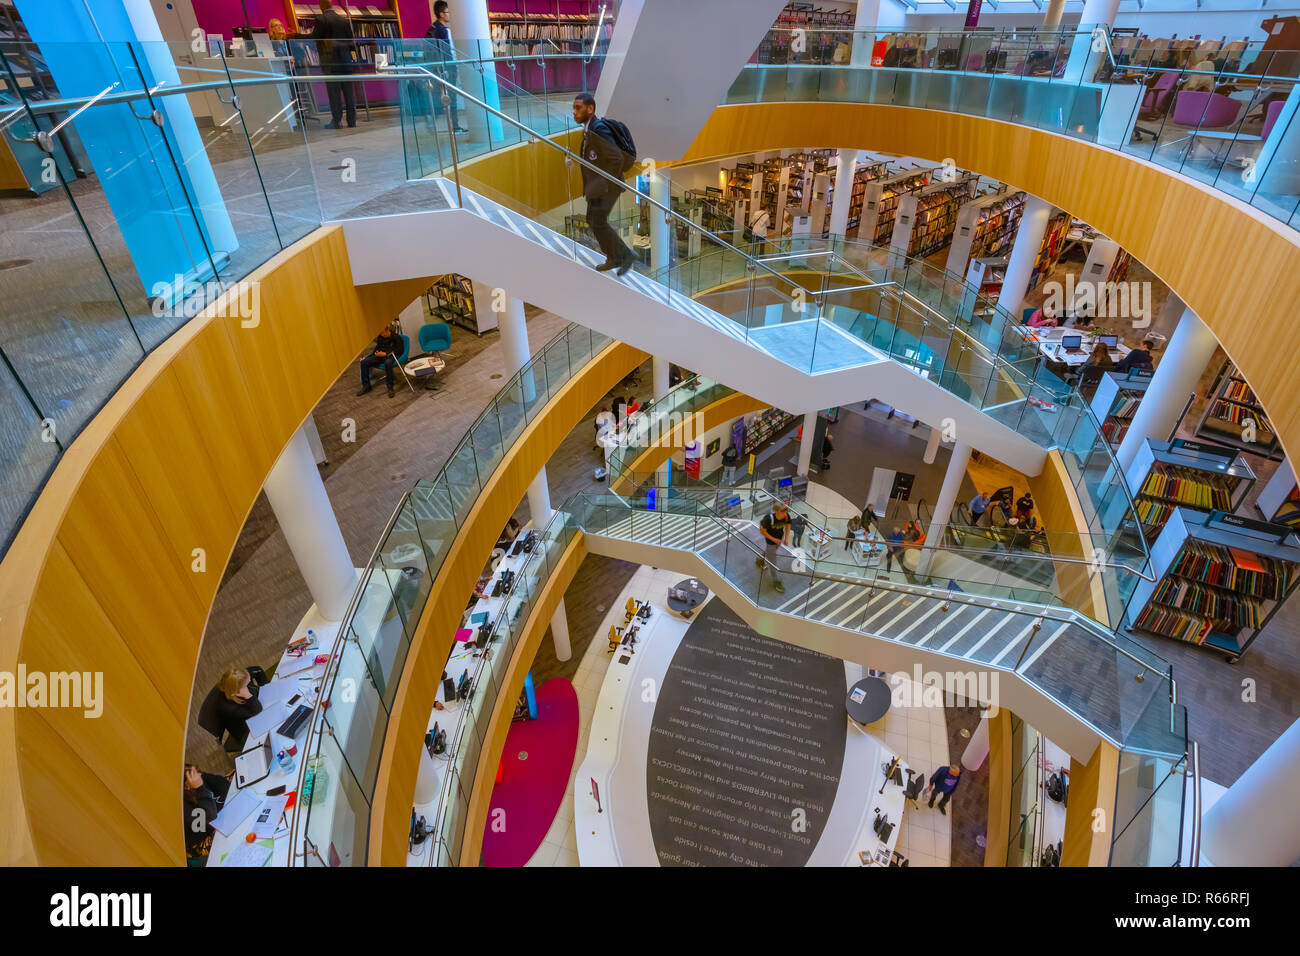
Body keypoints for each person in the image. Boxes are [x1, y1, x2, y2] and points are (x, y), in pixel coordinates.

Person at [571, 93, 635, 275]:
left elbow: (616, 158)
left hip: (606, 187)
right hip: (598, 187)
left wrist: (604, 183)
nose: (574, 112)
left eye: (578, 108)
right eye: (574, 108)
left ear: (590, 109)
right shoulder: (589, 129)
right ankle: (614, 257)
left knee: (598, 221)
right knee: (593, 220)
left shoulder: (598, 129)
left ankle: (624, 255)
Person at [310, 0, 357, 130]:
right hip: (346, 63)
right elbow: (352, 44)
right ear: (331, 5)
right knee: (349, 94)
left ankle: (337, 121)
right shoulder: (344, 20)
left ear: (321, 5)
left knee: (334, 94)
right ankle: (352, 121)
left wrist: (295, 36)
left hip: (331, 63)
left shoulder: (321, 19)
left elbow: (314, 37)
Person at [426, 1, 469, 135]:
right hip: (446, 67)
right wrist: (449, 66)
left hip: (444, 67)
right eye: (447, 12)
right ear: (441, 13)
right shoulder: (440, 30)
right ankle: (454, 127)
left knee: (445, 96)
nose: (449, 14)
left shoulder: (437, 28)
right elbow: (444, 51)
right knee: (451, 97)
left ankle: (432, 117)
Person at [197, 666, 264, 752]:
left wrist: (265, 686)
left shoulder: (241, 678)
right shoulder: (230, 708)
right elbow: (257, 710)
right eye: (246, 684)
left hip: (251, 713)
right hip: (244, 730)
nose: (250, 680)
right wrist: (248, 696)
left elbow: (258, 670)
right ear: (238, 691)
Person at [183, 764, 231, 863]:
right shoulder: (184, 808)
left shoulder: (196, 777)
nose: (199, 776)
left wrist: (201, 777)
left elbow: (225, 785)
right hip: (203, 839)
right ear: (187, 785)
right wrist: (200, 787)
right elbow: (209, 818)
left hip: (215, 818)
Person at [358, 324, 402, 397]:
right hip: (380, 355)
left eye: (383, 333)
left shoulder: (396, 337)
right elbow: (378, 346)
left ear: (387, 330)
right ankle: (366, 386)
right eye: (380, 333)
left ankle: (390, 387)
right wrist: (376, 352)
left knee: (388, 363)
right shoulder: (381, 337)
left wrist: (386, 354)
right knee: (364, 362)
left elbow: (399, 350)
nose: (382, 335)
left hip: (390, 355)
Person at [758, 504, 789, 593]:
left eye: (785, 511)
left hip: (779, 540)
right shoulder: (769, 519)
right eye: (782, 511)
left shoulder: (785, 516)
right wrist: (774, 539)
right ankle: (776, 581)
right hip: (771, 542)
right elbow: (762, 531)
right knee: (773, 562)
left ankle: (760, 559)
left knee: (769, 552)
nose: (785, 513)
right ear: (776, 511)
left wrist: (785, 538)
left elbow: (787, 525)